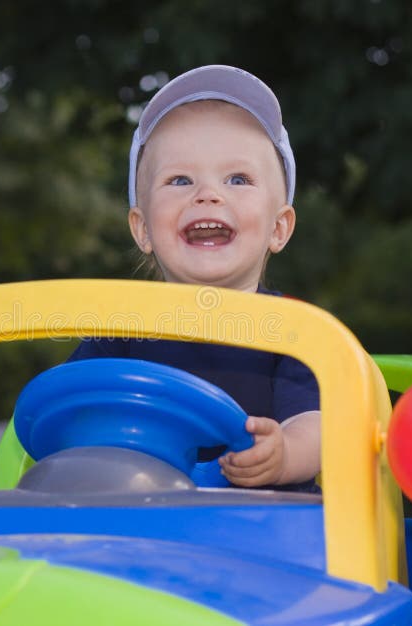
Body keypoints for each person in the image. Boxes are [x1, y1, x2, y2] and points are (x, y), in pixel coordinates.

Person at [69, 65, 321, 491]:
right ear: (143, 229)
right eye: (179, 179)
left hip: (264, 533)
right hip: (144, 530)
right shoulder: (120, 332)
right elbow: (74, 407)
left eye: (237, 179)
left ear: (279, 228)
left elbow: (319, 425)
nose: (207, 193)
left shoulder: (292, 330)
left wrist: (285, 455)